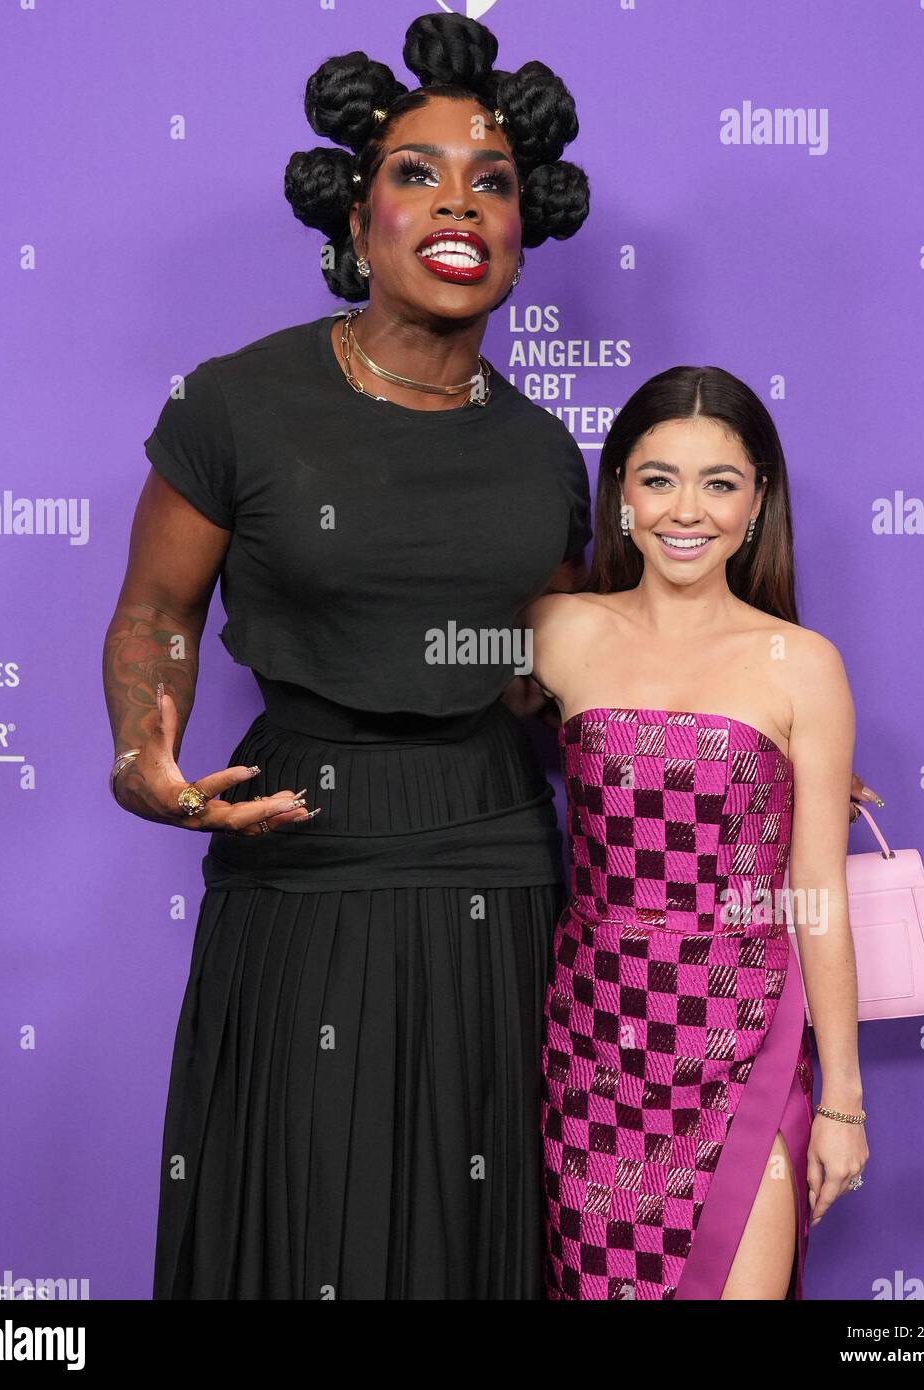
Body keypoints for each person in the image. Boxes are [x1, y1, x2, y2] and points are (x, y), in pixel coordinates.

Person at [103, 11, 595, 1299]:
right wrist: (142, 749)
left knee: (469, 1204)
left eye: (491, 182)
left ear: (523, 230)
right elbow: (159, 613)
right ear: (357, 217)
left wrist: (749, 744)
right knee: (303, 1199)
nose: (458, 204)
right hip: (302, 832)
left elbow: (554, 670)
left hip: (494, 847)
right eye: (416, 173)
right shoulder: (238, 403)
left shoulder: (543, 451)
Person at [524, 366, 872, 1299]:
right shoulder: (554, 631)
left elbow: (819, 896)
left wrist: (841, 1100)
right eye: (657, 478)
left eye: (719, 482)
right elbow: (431, 731)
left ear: (757, 500)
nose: (688, 510)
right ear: (621, 494)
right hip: (592, 1046)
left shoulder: (802, 665)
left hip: (742, 1037)